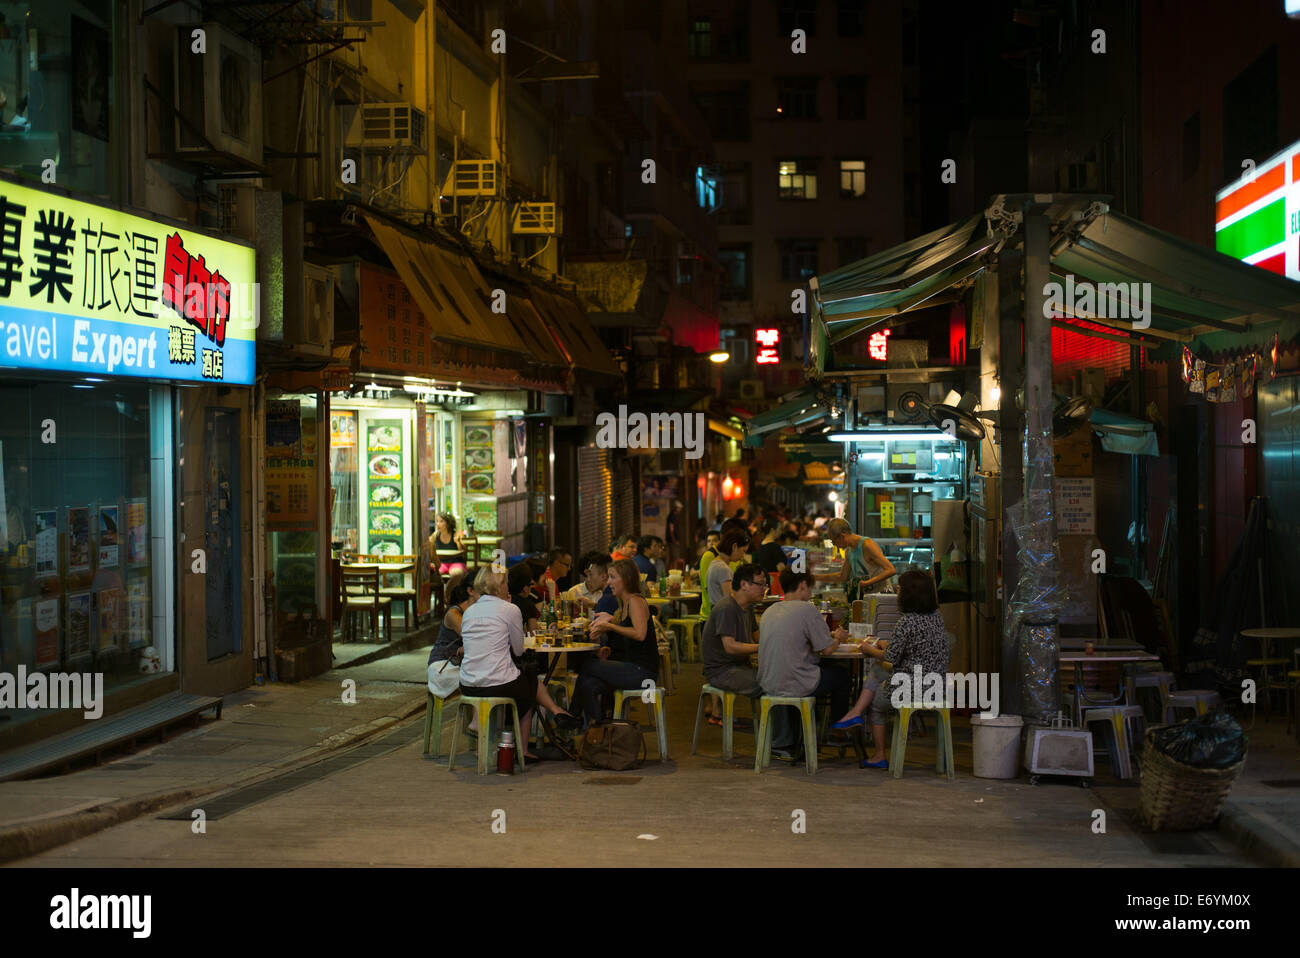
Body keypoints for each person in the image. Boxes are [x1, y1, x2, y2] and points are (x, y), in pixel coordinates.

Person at [459, 568, 581, 763]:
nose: (508, 586)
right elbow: (518, 649)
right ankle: (525, 747)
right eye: (505, 582)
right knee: (529, 685)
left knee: (526, 684)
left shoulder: (469, 611)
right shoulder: (510, 609)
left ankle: (499, 739)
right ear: (498, 586)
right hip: (497, 683)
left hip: (467, 684)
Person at [832, 569, 950, 768]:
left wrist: (867, 648)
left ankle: (879, 755)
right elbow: (912, 648)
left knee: (877, 704)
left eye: (900, 588)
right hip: (936, 684)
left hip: (911, 687)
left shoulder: (906, 621)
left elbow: (890, 658)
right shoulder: (936, 617)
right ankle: (854, 714)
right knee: (878, 670)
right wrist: (886, 646)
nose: (897, 591)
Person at [756, 570, 854, 760]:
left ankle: (799, 738)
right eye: (809, 587)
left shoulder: (770, 610)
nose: (810, 592)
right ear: (802, 585)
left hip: (768, 682)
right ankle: (837, 731)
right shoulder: (807, 609)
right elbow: (826, 650)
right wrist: (839, 639)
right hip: (796, 682)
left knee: (816, 673)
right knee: (842, 676)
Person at [571, 559, 659, 724]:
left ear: (625, 579)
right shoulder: (625, 602)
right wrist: (611, 620)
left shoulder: (635, 601)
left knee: (588, 666)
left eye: (612, 577)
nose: (608, 581)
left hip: (643, 672)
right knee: (588, 685)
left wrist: (610, 626)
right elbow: (630, 625)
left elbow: (640, 634)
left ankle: (572, 718)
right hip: (633, 668)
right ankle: (600, 729)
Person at [700, 562, 766, 722]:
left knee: (782, 677)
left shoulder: (747, 607)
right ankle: (778, 740)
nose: (765, 588)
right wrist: (763, 647)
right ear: (744, 584)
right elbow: (730, 647)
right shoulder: (727, 608)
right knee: (774, 684)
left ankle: (782, 736)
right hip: (721, 672)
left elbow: (759, 637)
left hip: (739, 667)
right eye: (761, 584)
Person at [816, 517, 896, 595]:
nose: (836, 546)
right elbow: (842, 576)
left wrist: (867, 583)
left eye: (834, 542)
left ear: (842, 536)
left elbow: (891, 570)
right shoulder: (849, 551)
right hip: (869, 597)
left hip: (882, 596)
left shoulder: (867, 545)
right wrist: (816, 577)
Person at [428, 581, 477, 698]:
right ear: (470, 591)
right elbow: (474, 640)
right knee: (481, 682)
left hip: (460, 666)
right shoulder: (453, 613)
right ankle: (473, 716)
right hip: (443, 666)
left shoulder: (476, 612)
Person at [705, 530, 750, 616]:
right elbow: (730, 600)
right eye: (743, 551)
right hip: (723, 615)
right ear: (734, 547)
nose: (743, 555)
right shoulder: (723, 568)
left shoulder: (714, 563)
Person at [564, 551, 617, 616]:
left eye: (591, 575)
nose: (588, 579)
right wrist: (591, 605)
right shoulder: (612, 594)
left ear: (603, 576)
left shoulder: (607, 598)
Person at [509, 563, 542, 630]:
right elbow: (533, 632)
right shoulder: (528, 605)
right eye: (531, 584)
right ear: (525, 588)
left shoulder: (503, 600)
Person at [665, 501, 683, 566]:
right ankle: (673, 573)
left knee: (672, 558)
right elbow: (671, 530)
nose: (680, 510)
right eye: (679, 508)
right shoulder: (672, 516)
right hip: (672, 541)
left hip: (672, 540)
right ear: (677, 508)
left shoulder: (673, 515)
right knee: (674, 558)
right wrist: (674, 541)